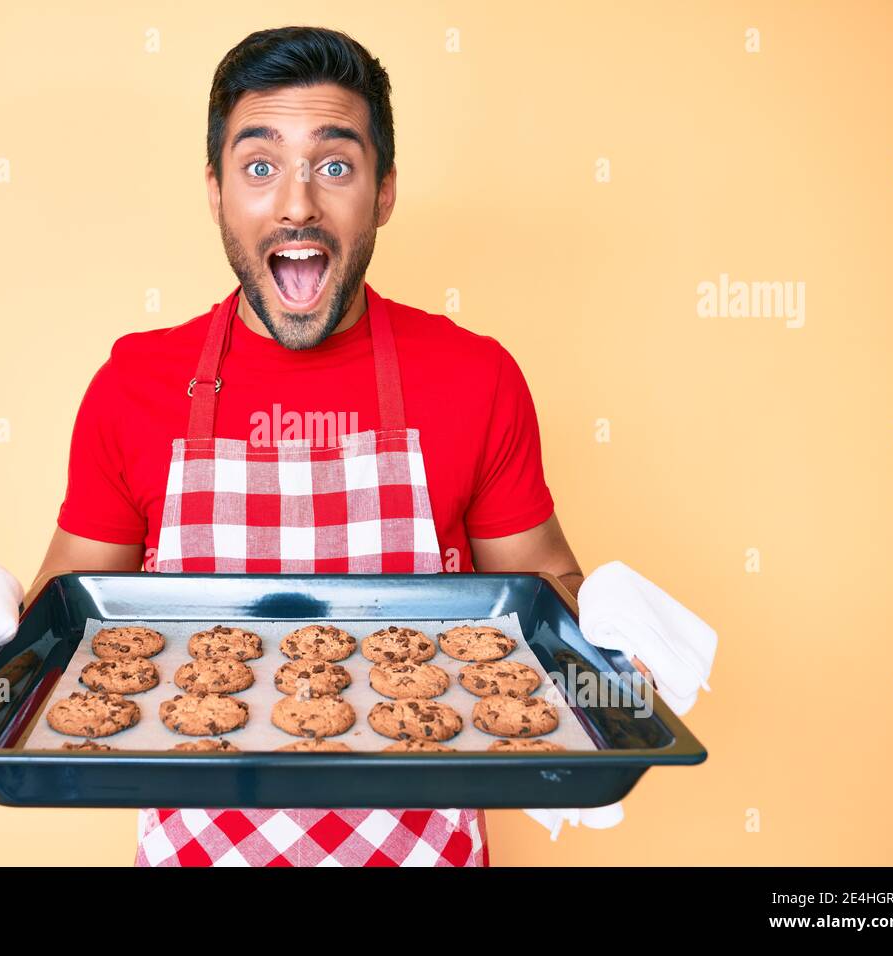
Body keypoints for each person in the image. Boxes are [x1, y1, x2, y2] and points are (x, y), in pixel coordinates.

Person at [35, 26, 587, 867]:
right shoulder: (134, 384)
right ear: (216, 191)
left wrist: (615, 646)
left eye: (335, 165)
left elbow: (551, 597)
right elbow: (66, 629)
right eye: (260, 166)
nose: (297, 205)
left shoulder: (477, 376)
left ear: (385, 191)